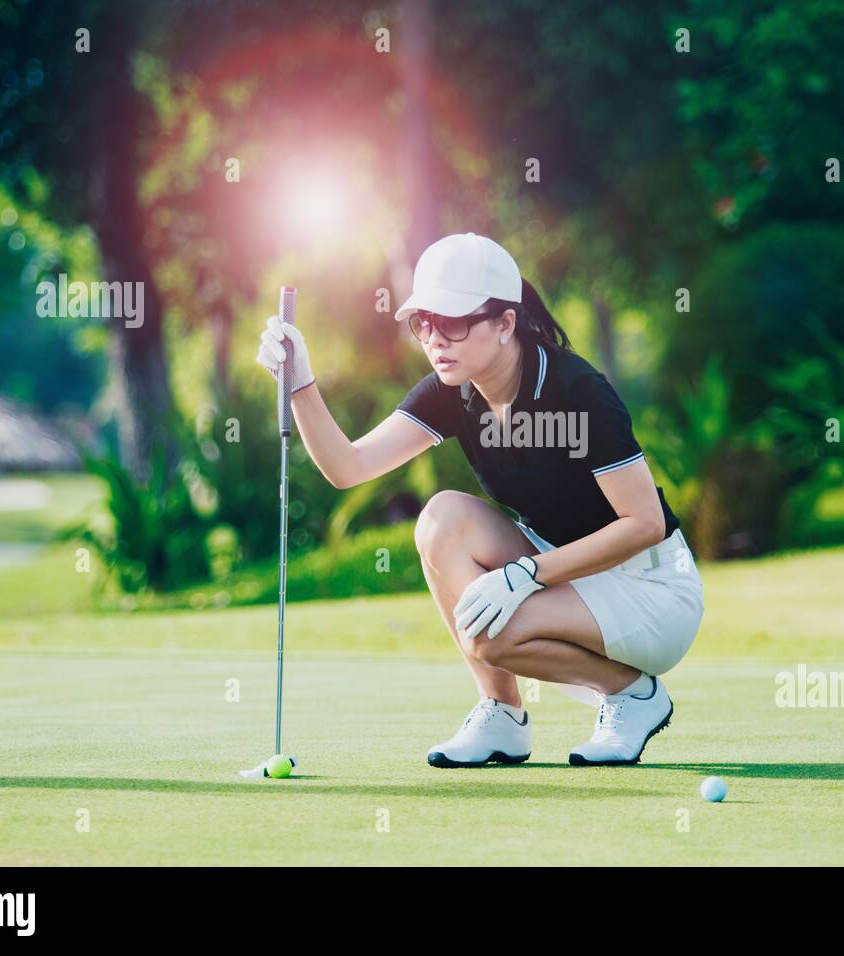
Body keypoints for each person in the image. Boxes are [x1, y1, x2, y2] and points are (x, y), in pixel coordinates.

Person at [257, 232, 703, 767]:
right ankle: (503, 716)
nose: (435, 339)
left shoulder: (576, 390)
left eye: (453, 322)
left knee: (489, 634)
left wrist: (527, 575)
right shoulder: (452, 390)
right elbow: (348, 468)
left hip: (652, 588)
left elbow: (644, 523)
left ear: (505, 323)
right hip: (563, 570)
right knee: (441, 518)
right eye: (423, 322)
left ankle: (633, 695)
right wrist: (300, 382)